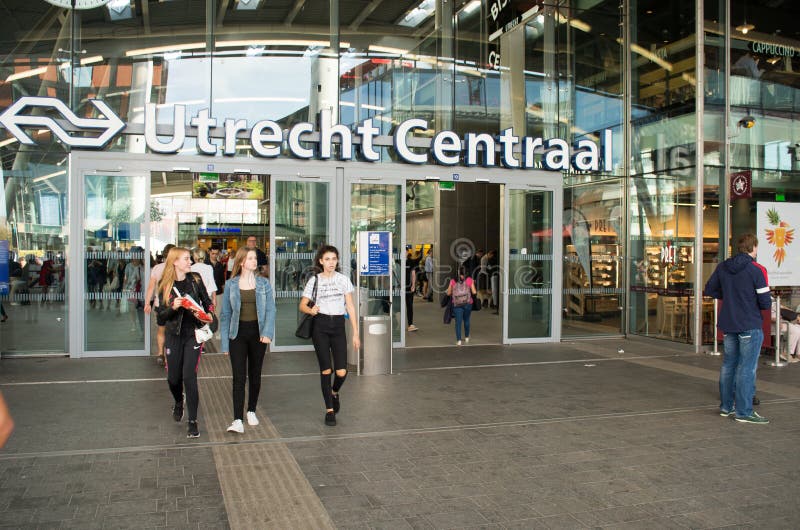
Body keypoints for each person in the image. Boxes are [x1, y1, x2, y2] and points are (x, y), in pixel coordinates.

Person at [703, 234, 772, 424]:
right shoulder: (757, 270)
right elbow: (765, 302)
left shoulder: (723, 266)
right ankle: (743, 412)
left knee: (729, 365)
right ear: (753, 248)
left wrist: (729, 296)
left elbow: (709, 289)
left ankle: (726, 407)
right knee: (746, 368)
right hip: (749, 323)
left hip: (729, 322)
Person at [155, 247, 213, 438]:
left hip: (193, 335)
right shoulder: (165, 284)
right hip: (173, 336)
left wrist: (210, 314)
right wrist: (173, 307)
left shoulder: (195, 279)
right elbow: (161, 318)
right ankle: (179, 401)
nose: (190, 262)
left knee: (189, 376)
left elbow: (207, 301)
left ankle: (192, 421)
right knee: (173, 378)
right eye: (187, 259)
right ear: (175, 262)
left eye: (190, 258)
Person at [298, 245, 360, 427]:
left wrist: (356, 332)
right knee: (326, 370)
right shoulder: (314, 280)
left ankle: (334, 392)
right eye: (327, 259)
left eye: (334, 259)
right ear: (321, 261)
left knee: (341, 371)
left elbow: (350, 306)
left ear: (337, 261)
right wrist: (311, 309)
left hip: (338, 326)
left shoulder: (343, 280)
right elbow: (302, 305)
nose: (331, 262)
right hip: (320, 326)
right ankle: (329, 410)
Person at [220, 248, 276, 434]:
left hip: (258, 333)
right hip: (237, 334)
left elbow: (271, 310)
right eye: (250, 258)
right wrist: (224, 343)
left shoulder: (264, 284)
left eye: (255, 258)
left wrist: (267, 333)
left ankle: (251, 410)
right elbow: (225, 314)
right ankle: (237, 419)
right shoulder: (231, 284)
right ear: (242, 262)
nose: (254, 261)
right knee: (238, 377)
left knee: (255, 374)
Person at [144, 244, 175, 365]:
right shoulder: (175, 267)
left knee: (161, 330)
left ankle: (160, 354)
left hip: (159, 304)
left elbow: (151, 287)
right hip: (173, 305)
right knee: (171, 331)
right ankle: (168, 356)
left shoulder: (157, 268)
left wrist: (147, 303)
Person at [447, 263, 477, 346]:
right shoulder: (469, 279)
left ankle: (459, 340)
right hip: (468, 303)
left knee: (458, 322)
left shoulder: (453, 280)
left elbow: (448, 293)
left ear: (458, 272)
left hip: (457, 304)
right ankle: (467, 337)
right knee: (467, 320)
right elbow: (474, 292)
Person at [123, 247, 145, 335]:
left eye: (136, 255)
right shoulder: (128, 266)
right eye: (133, 255)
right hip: (131, 289)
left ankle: (142, 325)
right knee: (132, 308)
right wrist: (124, 288)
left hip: (140, 290)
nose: (134, 257)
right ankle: (133, 323)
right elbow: (125, 277)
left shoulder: (142, 266)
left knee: (140, 308)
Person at [405, 252, 418, 332]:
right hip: (399, 287)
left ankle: (410, 324)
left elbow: (413, 274)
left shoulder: (410, 262)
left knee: (410, 305)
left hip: (409, 287)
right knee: (396, 306)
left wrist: (413, 285)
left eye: (405, 251)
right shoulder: (398, 261)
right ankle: (394, 323)